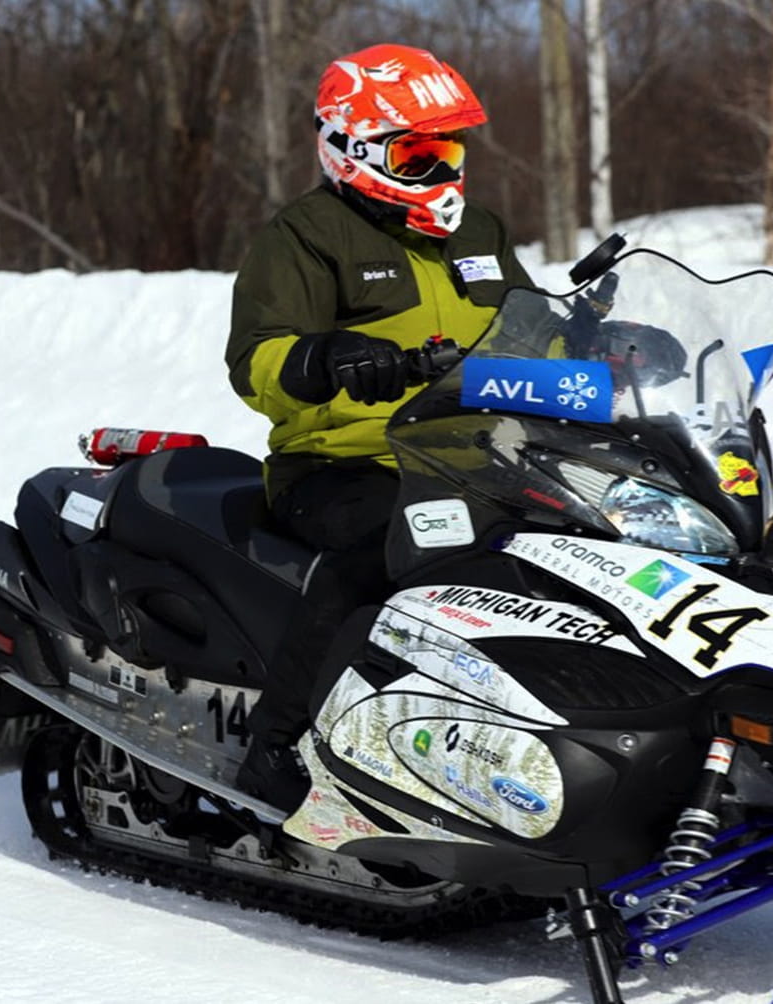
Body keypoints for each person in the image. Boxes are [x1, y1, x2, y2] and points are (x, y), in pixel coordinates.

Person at [225, 43, 537, 809]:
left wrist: (616, 343)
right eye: (418, 152)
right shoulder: (307, 233)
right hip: (344, 466)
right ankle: (278, 745)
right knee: (387, 547)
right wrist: (325, 357)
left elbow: (535, 331)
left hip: (478, 460)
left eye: (448, 149)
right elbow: (255, 361)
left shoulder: (480, 232)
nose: (441, 170)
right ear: (352, 149)